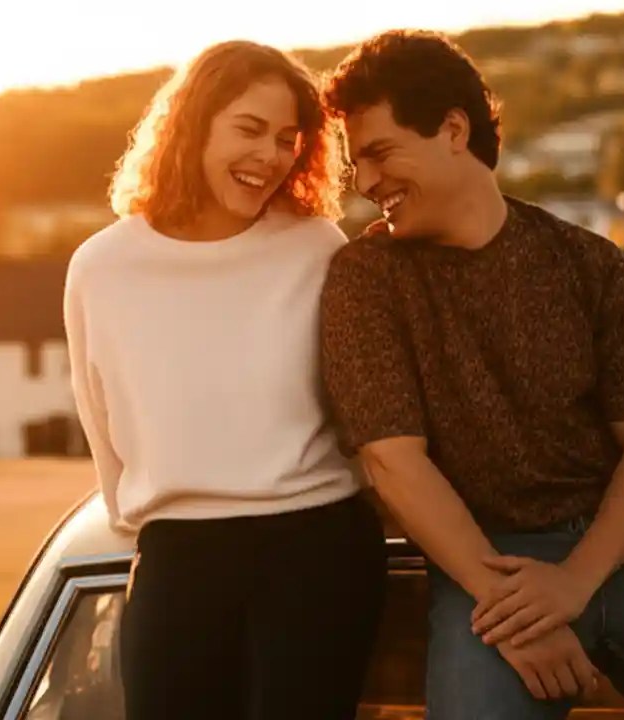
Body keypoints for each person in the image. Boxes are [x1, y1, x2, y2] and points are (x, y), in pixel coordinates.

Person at [319, 29, 624, 719]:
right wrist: (513, 607)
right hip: (483, 561)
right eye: (355, 164)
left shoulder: (589, 263)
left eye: (379, 153)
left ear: (454, 130)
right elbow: (394, 464)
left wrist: (574, 584)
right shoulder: (365, 281)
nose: (365, 184)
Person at [63, 40, 386, 720]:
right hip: (178, 557)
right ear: (193, 124)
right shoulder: (102, 267)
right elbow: (101, 418)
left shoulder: (315, 246)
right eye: (248, 129)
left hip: (316, 548)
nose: (270, 156)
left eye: (286, 140)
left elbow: (361, 404)